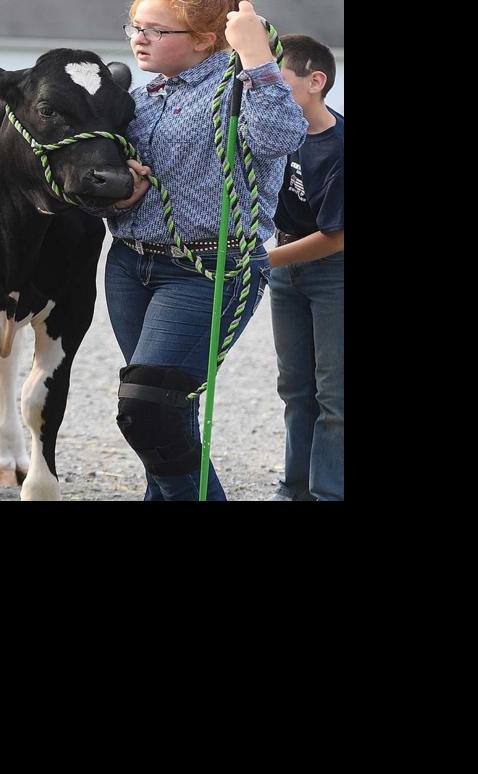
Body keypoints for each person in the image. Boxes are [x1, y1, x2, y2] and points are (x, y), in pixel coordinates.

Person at [105, 0, 307, 500]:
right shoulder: (141, 96)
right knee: (163, 408)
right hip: (130, 263)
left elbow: (282, 135)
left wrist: (258, 57)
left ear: (203, 38)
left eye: (156, 29)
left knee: (149, 409)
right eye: (136, 27)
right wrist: (117, 193)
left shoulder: (244, 88)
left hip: (208, 270)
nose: (139, 38)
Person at [265, 34, 343, 501]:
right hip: (284, 266)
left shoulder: (338, 147)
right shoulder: (277, 135)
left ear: (316, 82)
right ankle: (292, 489)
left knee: (335, 396)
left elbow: (337, 236)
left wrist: (261, 260)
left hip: (334, 272)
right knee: (295, 390)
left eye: (280, 84)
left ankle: (328, 493)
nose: (267, 97)